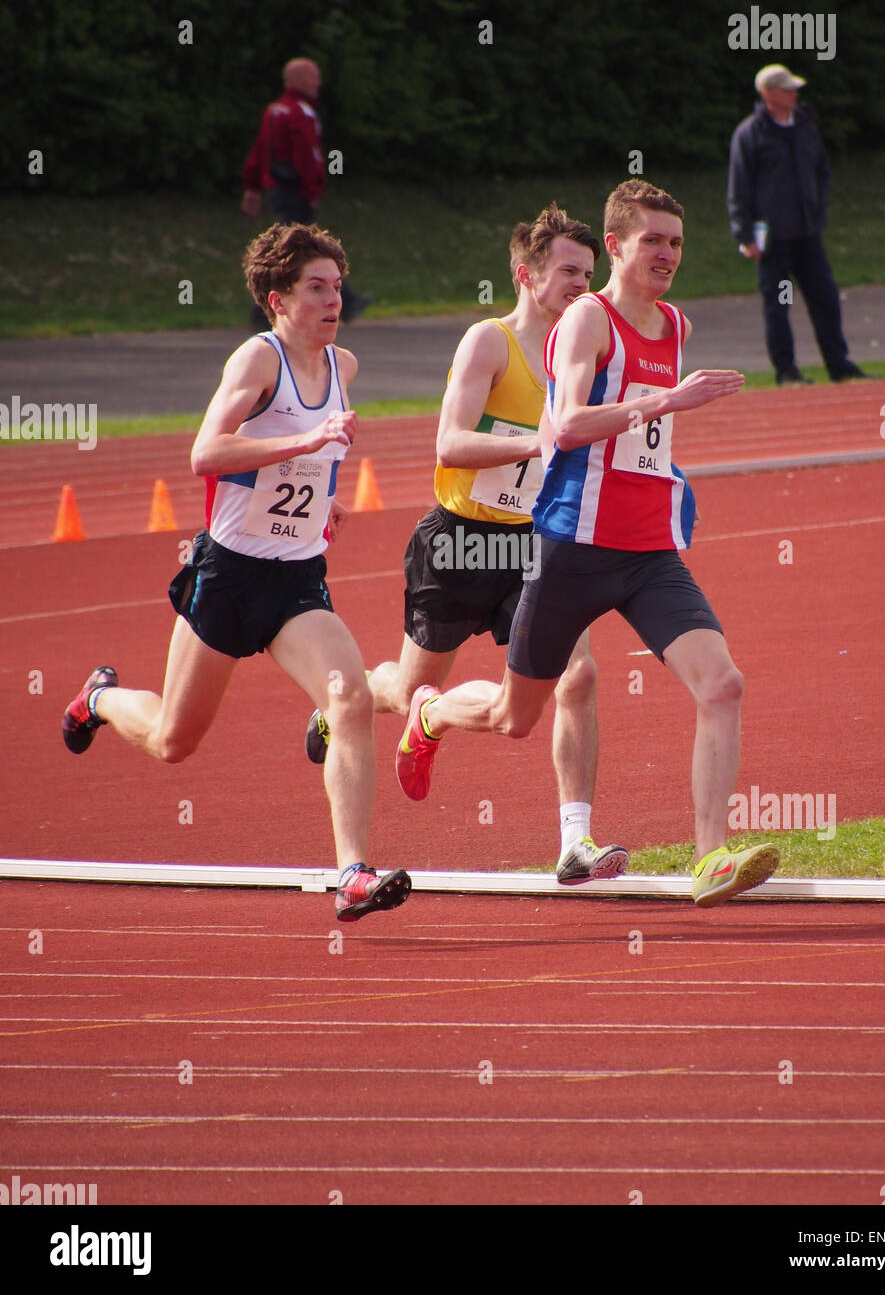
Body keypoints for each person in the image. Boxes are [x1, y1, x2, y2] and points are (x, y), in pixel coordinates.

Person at [394, 179, 780, 908]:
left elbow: (641, 442)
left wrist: (667, 471)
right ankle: (432, 713)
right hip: (570, 548)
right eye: (652, 242)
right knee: (516, 718)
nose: (668, 254)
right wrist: (665, 401)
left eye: (676, 242)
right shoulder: (586, 322)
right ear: (614, 246)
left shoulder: (674, 325)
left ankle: (711, 857)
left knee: (722, 683)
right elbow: (565, 426)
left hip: (647, 554)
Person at [61, 223, 410, 924]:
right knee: (173, 742)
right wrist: (306, 441)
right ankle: (97, 700)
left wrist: (321, 497)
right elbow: (207, 453)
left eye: (337, 286)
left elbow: (301, 467)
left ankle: (352, 873)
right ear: (278, 300)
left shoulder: (345, 368)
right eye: (315, 287)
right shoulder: (258, 360)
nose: (332, 299)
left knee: (347, 698)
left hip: (296, 582)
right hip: (228, 576)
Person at [306, 204, 629, 886]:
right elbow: (449, 443)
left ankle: (576, 841)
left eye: (589, 274)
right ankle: (364, 702)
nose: (582, 285)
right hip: (461, 543)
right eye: (569, 271)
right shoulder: (491, 343)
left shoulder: (590, 355)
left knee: (580, 675)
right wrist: (536, 443)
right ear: (525, 274)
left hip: (535, 547)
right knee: (410, 688)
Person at [727, 63, 866, 386]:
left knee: (825, 297)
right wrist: (745, 234)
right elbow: (739, 188)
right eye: (787, 88)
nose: (794, 93)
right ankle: (786, 371)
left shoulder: (805, 126)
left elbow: (821, 170)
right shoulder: (750, 134)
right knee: (778, 306)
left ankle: (839, 366)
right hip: (772, 239)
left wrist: (817, 208)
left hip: (807, 232)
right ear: (768, 94)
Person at [242, 58, 371, 324]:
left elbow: (259, 151)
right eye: (313, 77)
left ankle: (347, 302)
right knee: (291, 252)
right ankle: (261, 310)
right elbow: (308, 158)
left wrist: (253, 186)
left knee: (299, 249)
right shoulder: (301, 113)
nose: (318, 83)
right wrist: (313, 189)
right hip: (296, 191)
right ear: (298, 80)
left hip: (278, 189)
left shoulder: (275, 111)